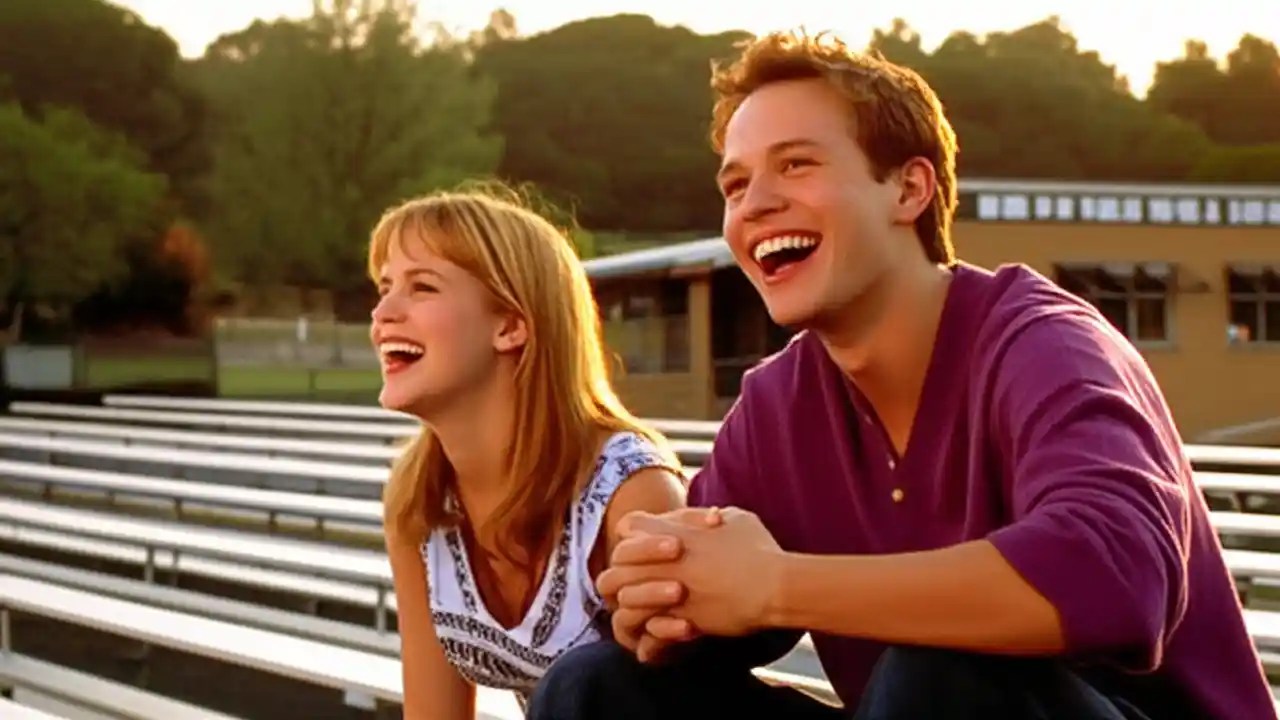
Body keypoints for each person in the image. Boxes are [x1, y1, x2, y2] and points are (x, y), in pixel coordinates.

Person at [524, 30, 1277, 720]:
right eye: (735, 184)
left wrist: (776, 584)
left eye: (796, 164)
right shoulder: (777, 404)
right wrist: (658, 603)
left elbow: (1116, 578)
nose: (757, 204)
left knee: (943, 672)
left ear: (910, 190)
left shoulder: (1046, 344)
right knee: (597, 686)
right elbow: (715, 612)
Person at [369, 187, 687, 719]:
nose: (382, 314)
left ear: (510, 326)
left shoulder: (631, 490)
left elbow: (674, 701)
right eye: (384, 288)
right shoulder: (418, 501)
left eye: (422, 287)